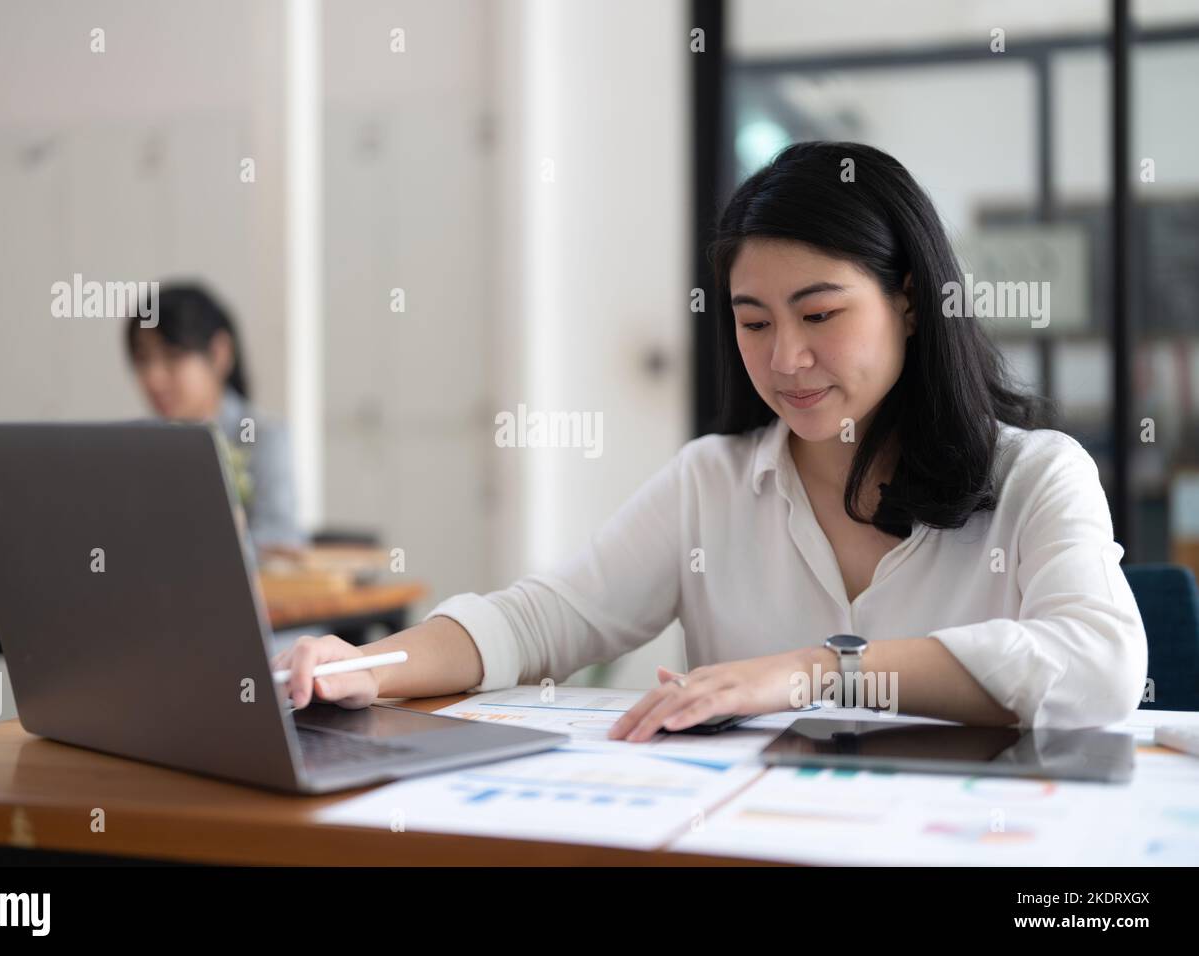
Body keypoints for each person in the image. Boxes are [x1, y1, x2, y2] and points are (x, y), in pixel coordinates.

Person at [273, 141, 1147, 739]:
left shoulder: (1036, 476)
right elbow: (543, 620)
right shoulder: (713, 482)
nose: (787, 358)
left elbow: (1101, 666)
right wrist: (371, 664)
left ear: (911, 301)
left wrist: (818, 670)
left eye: (820, 314)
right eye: (753, 321)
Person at [125, 283, 304, 552]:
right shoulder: (136, 443)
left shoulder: (263, 436)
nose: (153, 378)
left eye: (173, 357)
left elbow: (281, 539)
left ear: (219, 353)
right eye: (143, 360)